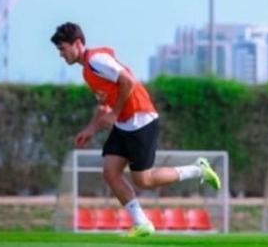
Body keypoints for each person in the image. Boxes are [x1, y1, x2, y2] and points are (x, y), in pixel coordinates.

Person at [51, 22, 220, 237]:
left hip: (141, 120)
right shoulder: (87, 71)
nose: (61, 54)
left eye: (62, 48)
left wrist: (114, 113)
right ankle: (142, 223)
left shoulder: (96, 60)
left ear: (77, 43)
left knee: (144, 181)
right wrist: (91, 129)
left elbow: (128, 81)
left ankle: (198, 170)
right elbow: (104, 104)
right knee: (110, 172)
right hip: (124, 124)